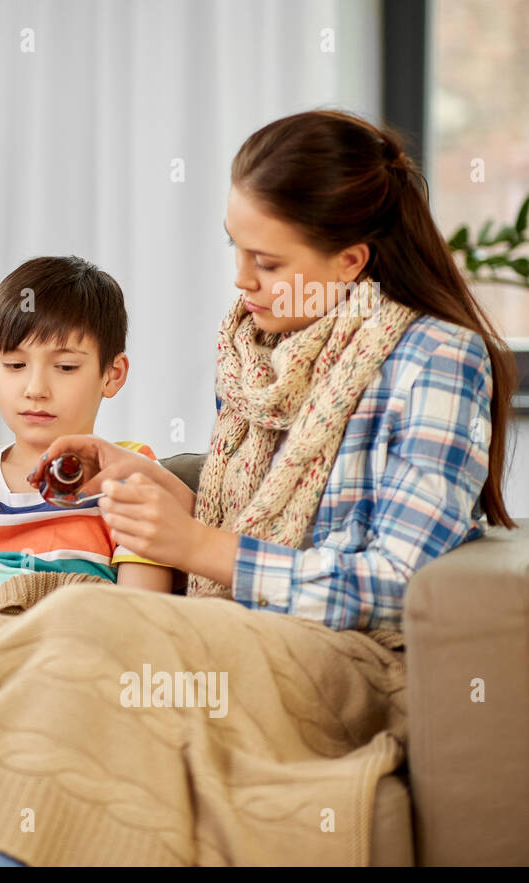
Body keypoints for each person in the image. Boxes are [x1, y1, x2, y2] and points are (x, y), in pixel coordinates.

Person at [35, 109, 517, 633]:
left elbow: (399, 584)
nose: (241, 280)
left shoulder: (437, 359)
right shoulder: (259, 357)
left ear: (350, 262)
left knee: (73, 623)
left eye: (266, 263)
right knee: (56, 624)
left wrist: (196, 545)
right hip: (243, 627)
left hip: (346, 651)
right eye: (234, 248)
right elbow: (273, 531)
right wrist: (150, 483)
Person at [0, 255, 174, 595]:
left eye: (66, 367)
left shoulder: (131, 474)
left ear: (112, 374)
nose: (35, 390)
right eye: (15, 365)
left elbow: (141, 611)